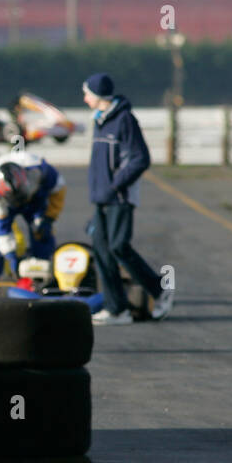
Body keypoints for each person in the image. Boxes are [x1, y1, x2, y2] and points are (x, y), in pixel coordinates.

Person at [83, 72, 173, 325]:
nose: (84, 98)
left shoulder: (124, 120)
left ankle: (159, 289)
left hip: (119, 197)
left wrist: (116, 184)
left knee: (118, 246)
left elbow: (140, 159)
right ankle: (117, 310)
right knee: (101, 249)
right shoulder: (99, 121)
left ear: (98, 96)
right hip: (101, 198)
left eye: (87, 93)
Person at [0, 152, 63, 296]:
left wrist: (49, 217)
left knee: (42, 235)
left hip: (35, 201)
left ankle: (46, 286)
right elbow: (2, 230)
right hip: (7, 205)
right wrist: (11, 255)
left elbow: (59, 189)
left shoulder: (40, 170)